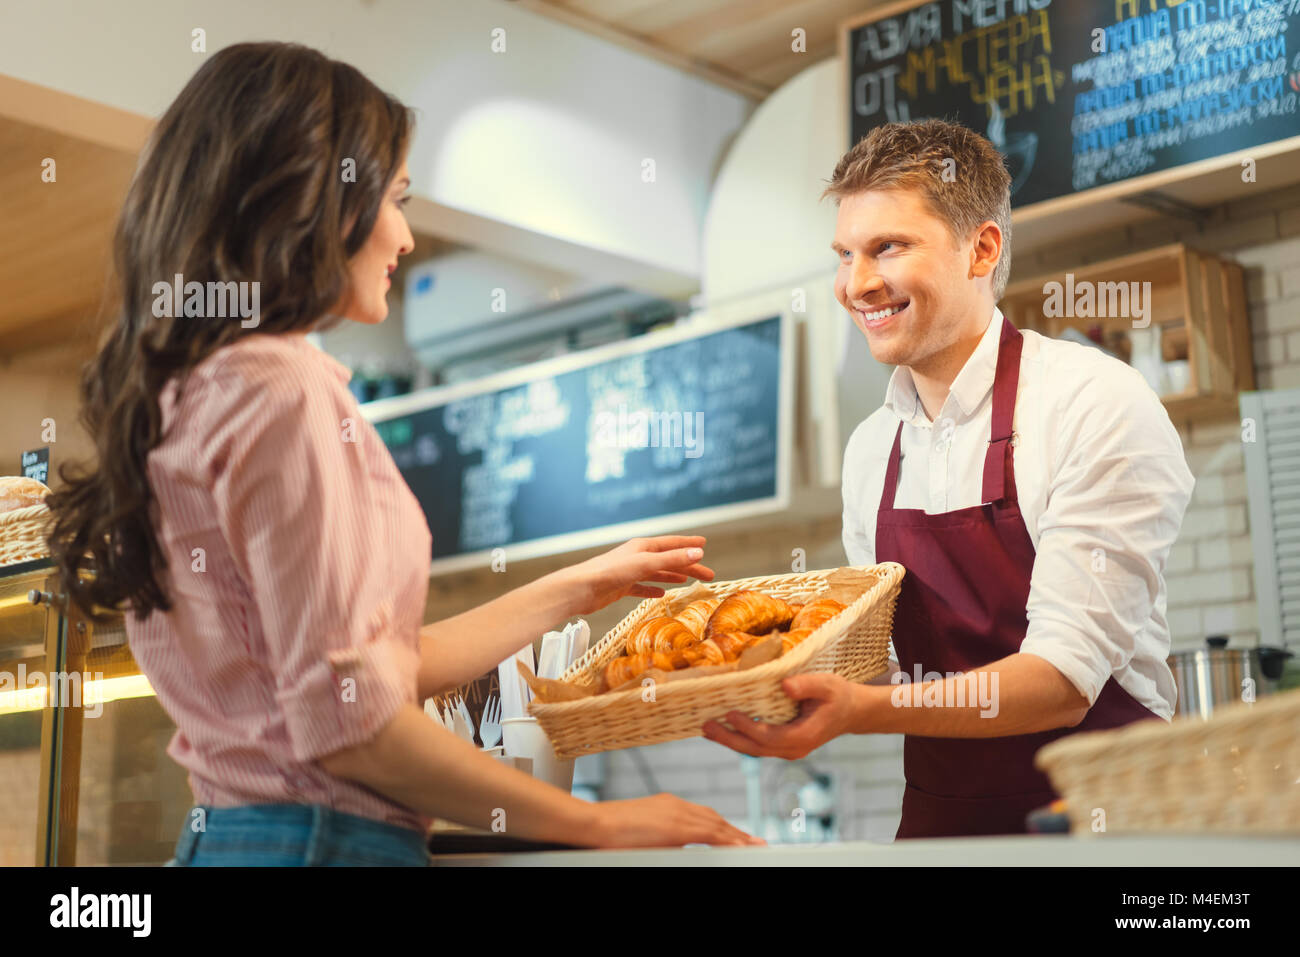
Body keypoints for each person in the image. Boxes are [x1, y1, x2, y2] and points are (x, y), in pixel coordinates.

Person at [45, 41, 762, 865]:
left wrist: (579, 587)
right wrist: (604, 824)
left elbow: (367, 675)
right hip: (321, 845)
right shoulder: (284, 390)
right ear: (315, 201)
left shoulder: (190, 389)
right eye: (395, 198)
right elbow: (353, 731)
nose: (407, 236)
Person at [703, 119, 1195, 839]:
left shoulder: (1090, 402)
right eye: (844, 254)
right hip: (941, 832)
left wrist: (862, 712)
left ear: (981, 248)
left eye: (888, 247)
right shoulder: (872, 449)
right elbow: (883, 667)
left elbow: (1061, 681)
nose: (855, 283)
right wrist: (753, 674)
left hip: (1105, 831)